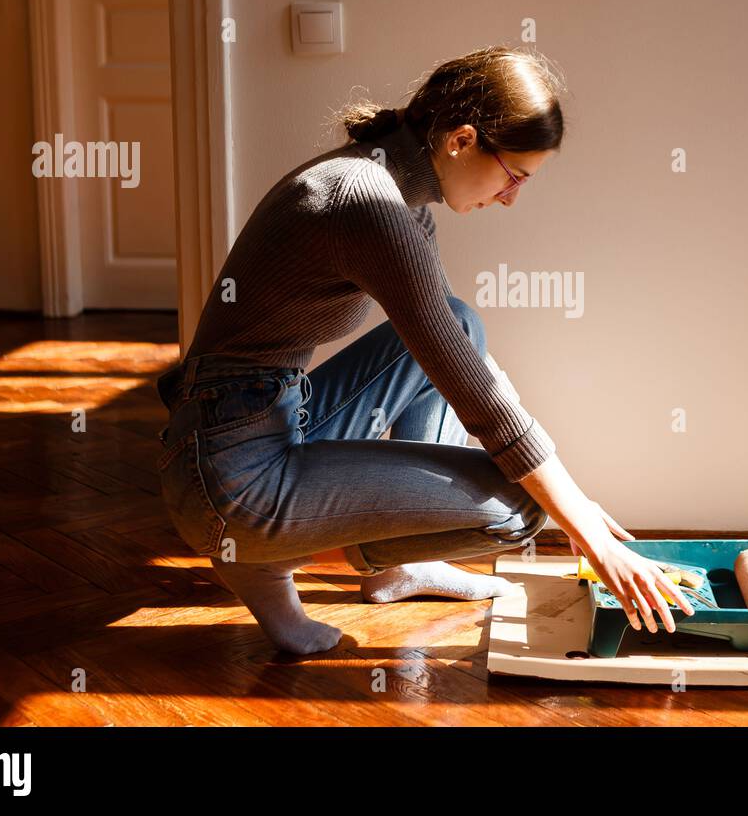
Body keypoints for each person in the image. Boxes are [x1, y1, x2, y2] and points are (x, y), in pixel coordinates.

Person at [154, 45, 694, 654]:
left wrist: (577, 501)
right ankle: (258, 556)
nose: (513, 198)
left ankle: (396, 568)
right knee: (517, 509)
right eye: (514, 176)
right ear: (462, 140)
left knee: (460, 320)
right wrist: (584, 529)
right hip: (225, 476)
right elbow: (474, 393)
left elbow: (455, 350)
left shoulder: (398, 196)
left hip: (267, 415)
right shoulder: (366, 202)